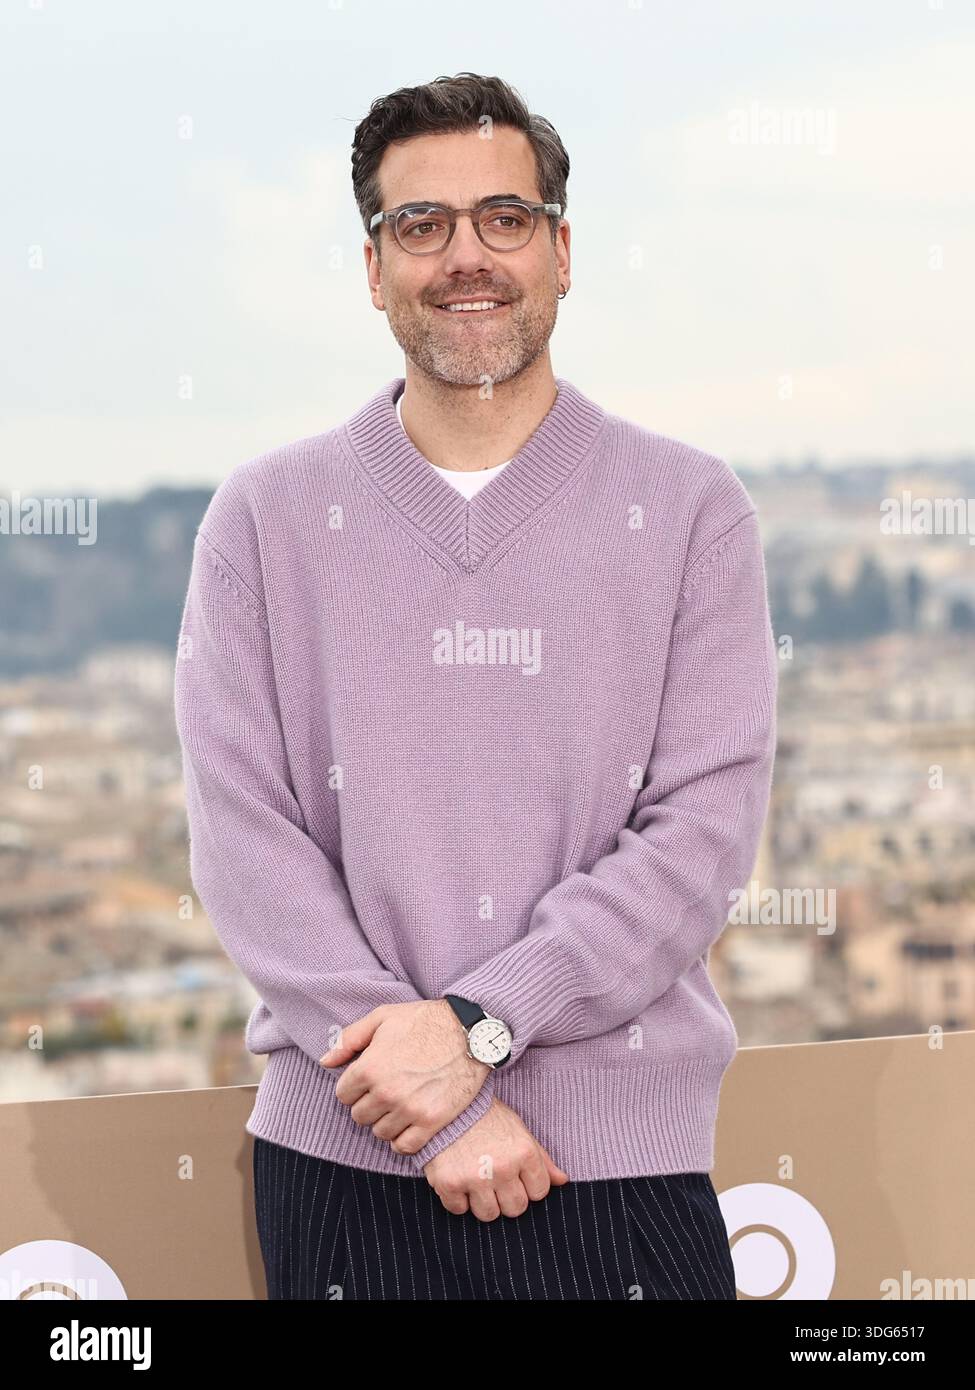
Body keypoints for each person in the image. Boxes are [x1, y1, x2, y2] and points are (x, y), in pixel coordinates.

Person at [173, 71, 777, 1301]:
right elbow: (245, 843)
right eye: (422, 225)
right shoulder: (265, 518)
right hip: (346, 1167)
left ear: (562, 250)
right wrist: (441, 1108)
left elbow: (701, 841)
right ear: (373, 262)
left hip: (617, 1166)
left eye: (504, 219)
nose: (467, 257)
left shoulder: (692, 510)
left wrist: (476, 1031)